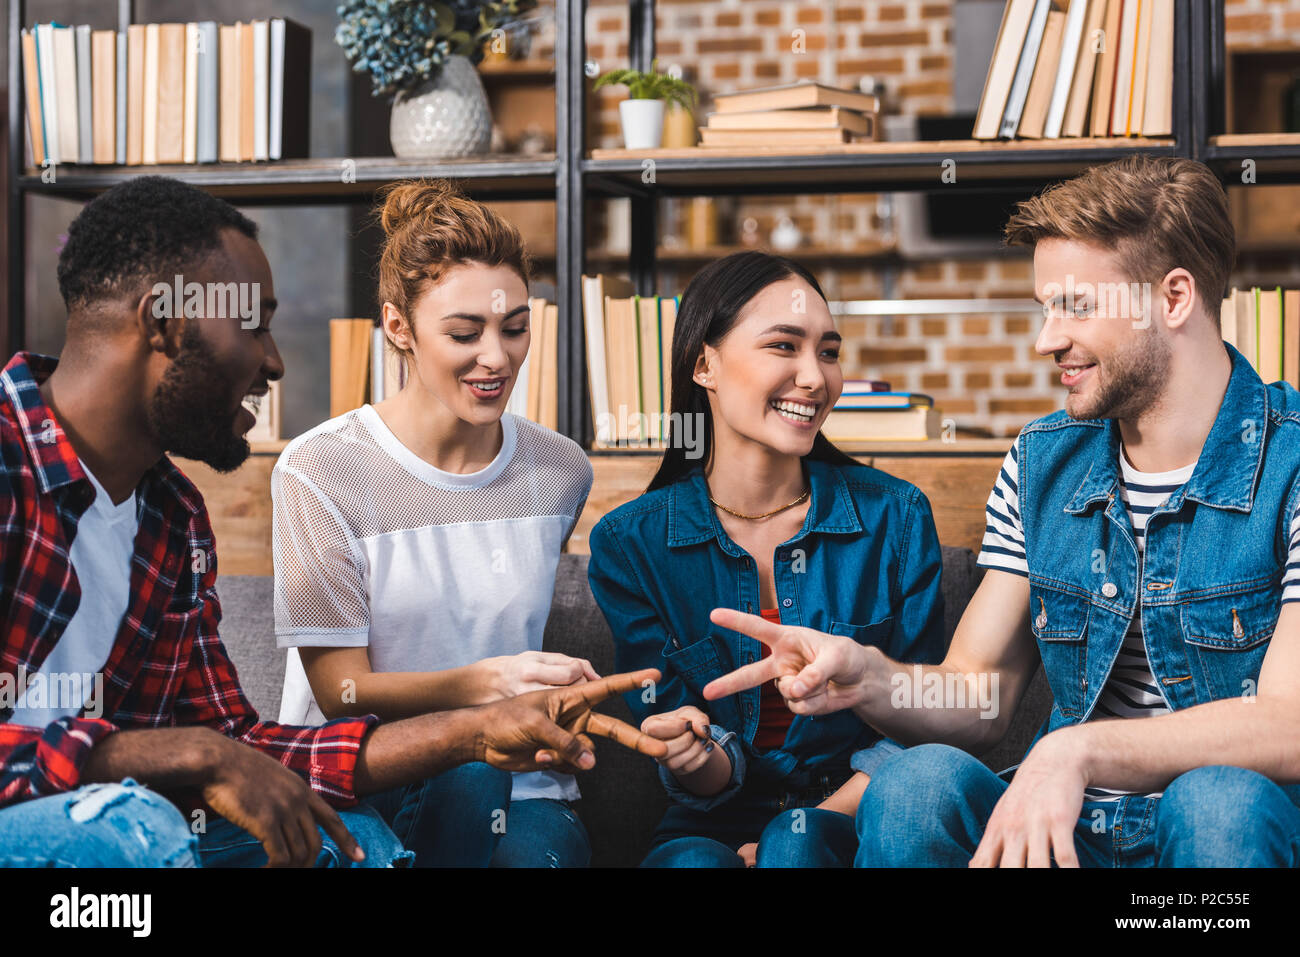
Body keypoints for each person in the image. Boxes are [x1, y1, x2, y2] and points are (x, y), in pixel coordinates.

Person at [0, 175, 664, 868]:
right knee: (134, 831)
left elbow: (234, 741)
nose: (275, 362)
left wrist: (471, 733)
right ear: (164, 324)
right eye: (252, 326)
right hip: (110, 832)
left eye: (515, 327)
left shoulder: (171, 516)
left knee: (354, 848)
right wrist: (185, 752)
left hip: (125, 819)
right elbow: (210, 746)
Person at [703, 155, 1300, 868]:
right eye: (1044, 308)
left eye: (1075, 306)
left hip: (1227, 832)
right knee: (916, 784)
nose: (1047, 339)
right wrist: (870, 675)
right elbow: (980, 696)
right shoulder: (1043, 461)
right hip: (1063, 830)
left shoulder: (1289, 462)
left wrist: (1075, 749)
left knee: (1218, 802)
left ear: (1172, 298)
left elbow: (1288, 722)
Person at [272, 179, 600, 867]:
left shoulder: (560, 470)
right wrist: (487, 688)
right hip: (363, 781)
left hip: (524, 784)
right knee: (469, 767)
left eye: (515, 329)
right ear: (398, 327)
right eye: (464, 332)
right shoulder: (321, 470)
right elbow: (340, 691)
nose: (498, 357)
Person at [586, 251, 947, 868]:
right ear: (705, 364)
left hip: (862, 813)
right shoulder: (630, 544)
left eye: (828, 352)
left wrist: (803, 828)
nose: (815, 377)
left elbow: (922, 719)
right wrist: (694, 755)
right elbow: (684, 743)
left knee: (797, 846)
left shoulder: (897, 518)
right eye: (784, 346)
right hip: (710, 821)